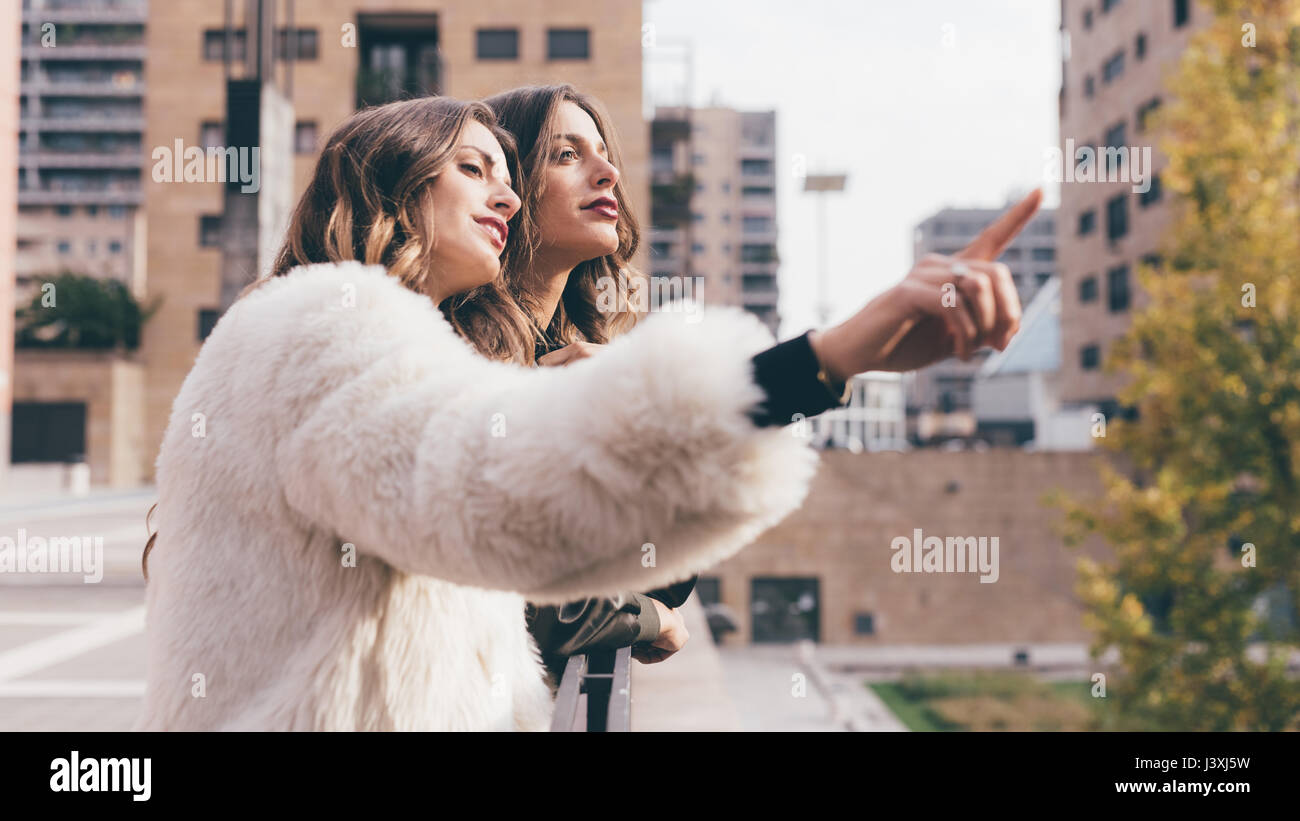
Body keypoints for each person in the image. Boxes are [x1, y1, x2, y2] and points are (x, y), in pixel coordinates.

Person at [138, 93, 1037, 731]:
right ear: (393, 186)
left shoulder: (351, 338)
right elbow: (514, 511)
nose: (509, 195)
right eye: (474, 167)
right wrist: (833, 355)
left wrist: (847, 363)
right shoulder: (319, 332)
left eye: (509, 172)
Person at [470, 84, 1042, 681]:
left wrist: (845, 357)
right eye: (567, 154)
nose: (607, 171)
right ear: (507, 191)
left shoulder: (574, 357)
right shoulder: (468, 360)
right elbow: (513, 604)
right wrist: (647, 621)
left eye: (603, 151)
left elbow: (662, 572)